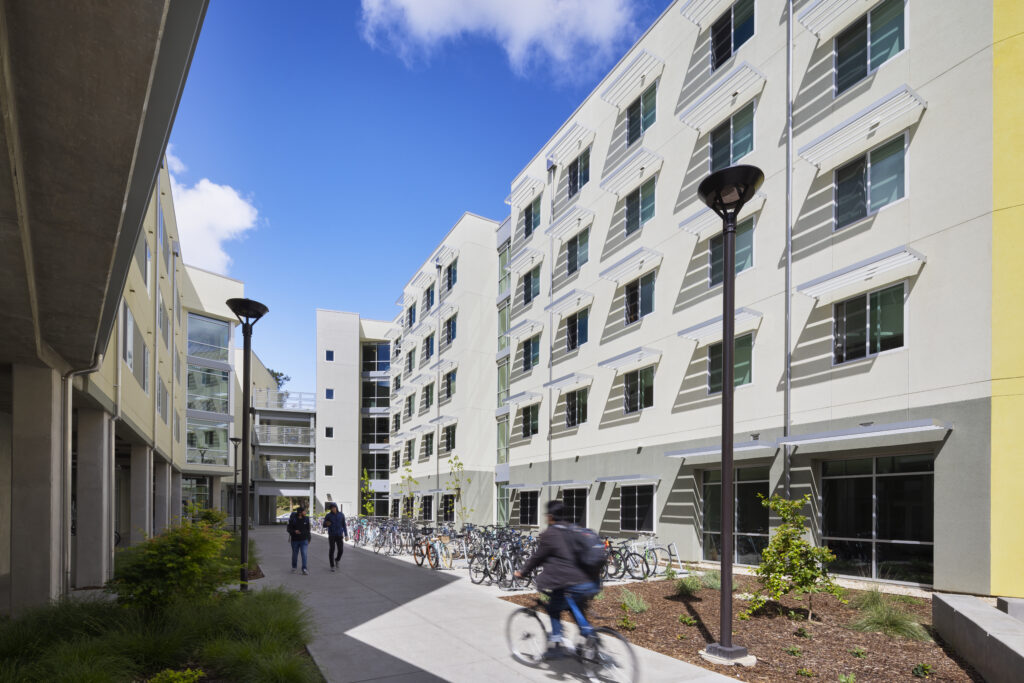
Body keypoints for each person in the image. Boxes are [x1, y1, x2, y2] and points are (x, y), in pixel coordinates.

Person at [515, 500, 600, 659]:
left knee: (554, 608)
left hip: (570, 584)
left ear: (550, 516)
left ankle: (556, 646)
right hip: (589, 581)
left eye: (547, 515)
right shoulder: (573, 529)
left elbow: (537, 558)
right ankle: (588, 643)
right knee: (576, 610)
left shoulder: (551, 534)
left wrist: (522, 573)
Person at [323, 502, 348, 571]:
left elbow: (344, 525)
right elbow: (324, 525)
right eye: (331, 508)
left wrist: (346, 535)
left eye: (334, 507)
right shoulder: (328, 515)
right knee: (332, 549)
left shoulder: (341, 515)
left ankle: (337, 559)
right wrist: (326, 524)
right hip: (332, 535)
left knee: (341, 550)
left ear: (336, 507)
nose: (333, 509)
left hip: (339, 535)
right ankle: (332, 566)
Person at [287, 504, 311, 575]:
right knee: (295, 555)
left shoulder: (306, 519)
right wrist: (294, 531)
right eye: (304, 511)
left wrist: (309, 538)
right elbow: (288, 529)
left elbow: (308, 529)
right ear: (300, 512)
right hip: (295, 540)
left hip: (304, 540)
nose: (305, 512)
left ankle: (304, 569)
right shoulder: (293, 519)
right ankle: (294, 567)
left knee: (304, 554)